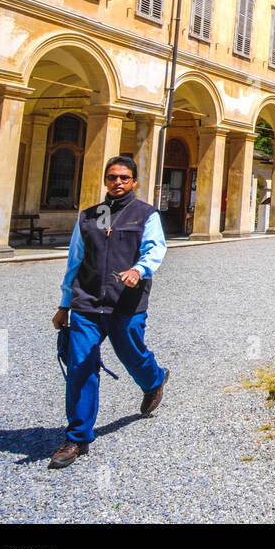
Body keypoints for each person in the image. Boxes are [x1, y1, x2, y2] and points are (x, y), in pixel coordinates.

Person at [49, 156, 169, 469]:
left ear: (134, 182)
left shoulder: (145, 214)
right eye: (113, 177)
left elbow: (155, 249)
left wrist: (139, 269)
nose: (118, 182)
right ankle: (77, 437)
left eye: (124, 178)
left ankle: (154, 380)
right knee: (81, 365)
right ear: (105, 180)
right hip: (87, 302)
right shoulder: (91, 216)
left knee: (131, 352)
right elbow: (75, 260)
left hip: (125, 301)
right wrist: (64, 304)